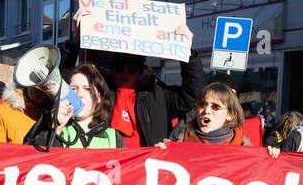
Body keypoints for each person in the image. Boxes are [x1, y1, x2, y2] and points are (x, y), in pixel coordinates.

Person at [65, 8, 203, 148]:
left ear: (140, 71)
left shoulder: (156, 94)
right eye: (119, 68)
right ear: (112, 70)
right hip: (109, 164)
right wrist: (75, 42)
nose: (125, 73)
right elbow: (63, 87)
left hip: (145, 164)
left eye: (131, 69)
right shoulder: (101, 93)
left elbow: (192, 94)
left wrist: (188, 54)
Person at [52, 64, 122, 148]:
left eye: (87, 89)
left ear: (99, 97)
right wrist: (55, 130)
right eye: (73, 88)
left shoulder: (113, 137)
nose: (79, 94)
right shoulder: (56, 127)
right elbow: (42, 159)